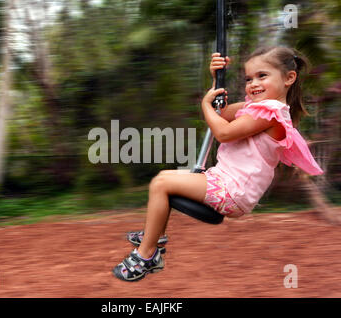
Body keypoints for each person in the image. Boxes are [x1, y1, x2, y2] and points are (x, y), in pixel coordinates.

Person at [112, 46, 324, 282]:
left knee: (161, 183)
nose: (253, 83)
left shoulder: (270, 113)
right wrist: (216, 80)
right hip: (224, 182)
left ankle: (147, 255)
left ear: (289, 78)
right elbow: (220, 113)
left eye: (262, 76)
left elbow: (222, 132)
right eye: (248, 78)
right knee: (164, 179)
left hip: (233, 191)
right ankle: (154, 237)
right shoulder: (253, 108)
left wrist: (204, 106)